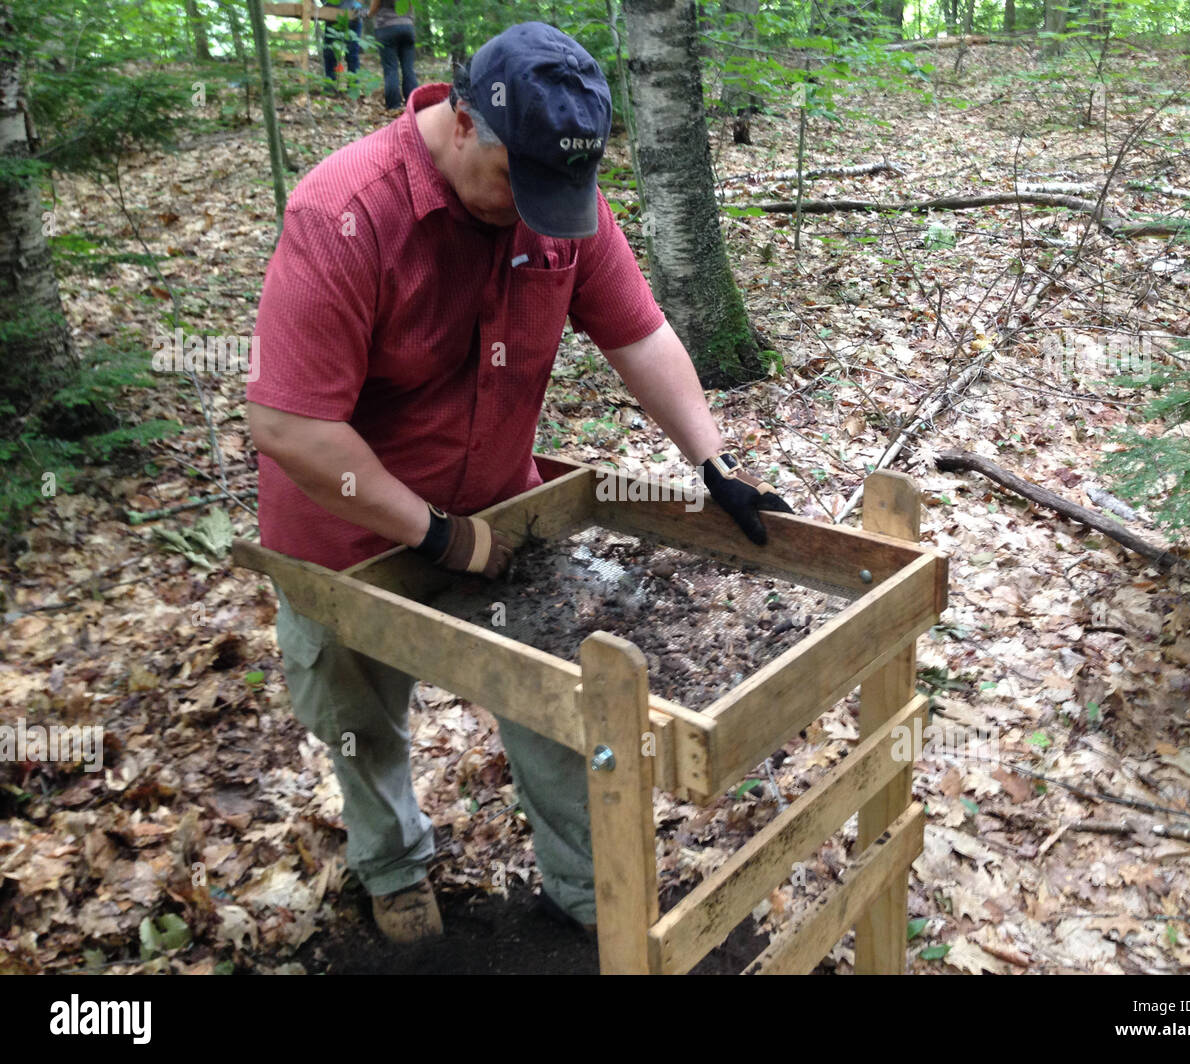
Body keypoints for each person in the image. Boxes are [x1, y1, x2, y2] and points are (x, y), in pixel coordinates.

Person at [246, 21, 793, 946]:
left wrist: (716, 464)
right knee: (359, 715)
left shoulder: (557, 205)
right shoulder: (344, 212)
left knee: (565, 703)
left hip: (501, 511)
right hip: (344, 538)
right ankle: (394, 866)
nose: (541, 211)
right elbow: (289, 423)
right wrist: (432, 533)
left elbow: (641, 335)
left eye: (559, 192)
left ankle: (588, 893)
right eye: (520, 184)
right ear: (463, 122)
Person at [369, 0, 418, 110]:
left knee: (391, 69)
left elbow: (374, 6)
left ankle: (393, 106)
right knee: (408, 68)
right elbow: (411, 5)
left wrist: (367, 14)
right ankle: (414, 104)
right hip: (407, 26)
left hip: (386, 27)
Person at [321, 0, 364, 91]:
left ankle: (353, 88)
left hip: (353, 16)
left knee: (352, 55)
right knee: (330, 53)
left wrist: (358, 4)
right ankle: (330, 86)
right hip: (332, 16)